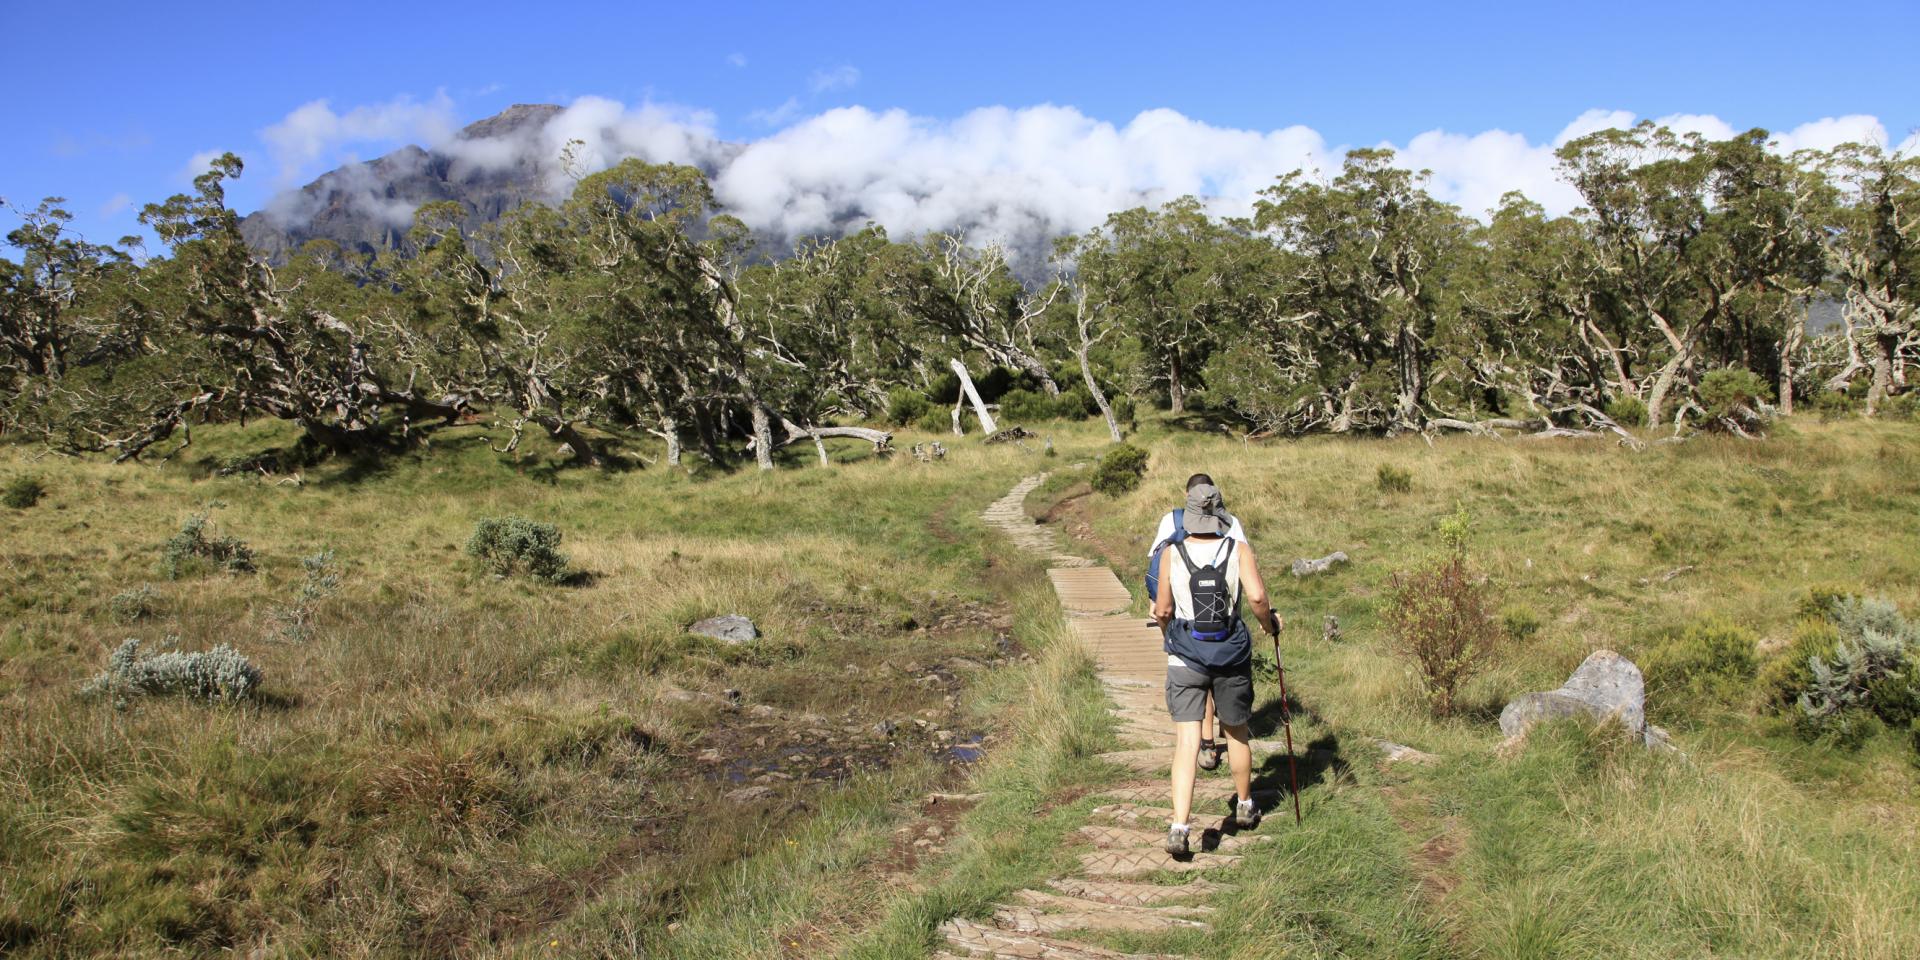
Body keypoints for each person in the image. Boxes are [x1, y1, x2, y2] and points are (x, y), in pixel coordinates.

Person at [1152, 481, 1281, 857]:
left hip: (1185, 657)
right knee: (1237, 732)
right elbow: (1256, 597)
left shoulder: (1171, 553)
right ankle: (1243, 805)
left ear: (1188, 513)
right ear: (1219, 513)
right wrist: (1268, 624)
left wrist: (1170, 636)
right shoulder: (1237, 549)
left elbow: (1162, 610)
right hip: (1230, 653)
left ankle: (1180, 826)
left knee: (1187, 742)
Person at [1146, 473, 1250, 771]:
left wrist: (1160, 614)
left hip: (1183, 619)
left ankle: (1205, 742)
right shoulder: (1234, 525)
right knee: (1220, 677)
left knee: (1196, 673)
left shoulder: (1171, 520)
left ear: (1186, 495)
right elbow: (1244, 566)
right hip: (1226, 620)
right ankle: (1243, 793)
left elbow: (1156, 560)